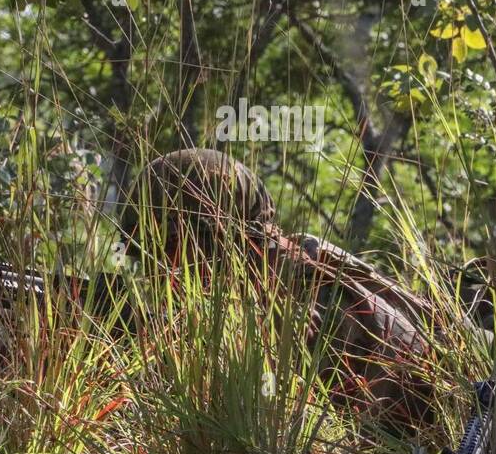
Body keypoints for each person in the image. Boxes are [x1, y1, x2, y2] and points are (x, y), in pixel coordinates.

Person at [118, 148, 455, 429]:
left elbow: (295, 442)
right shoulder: (293, 263)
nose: (162, 275)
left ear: (213, 242)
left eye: (167, 253)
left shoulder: (292, 300)